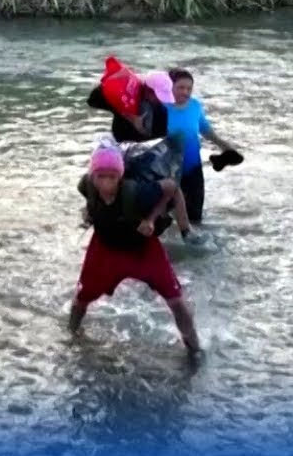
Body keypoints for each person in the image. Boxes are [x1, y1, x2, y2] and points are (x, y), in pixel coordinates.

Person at [69, 145, 203, 358]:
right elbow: (89, 201)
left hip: (143, 250)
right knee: (82, 298)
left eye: (112, 177)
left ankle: (195, 349)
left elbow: (172, 187)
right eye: (100, 176)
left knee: (176, 301)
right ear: (92, 176)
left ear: (120, 175)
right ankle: (70, 338)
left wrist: (152, 219)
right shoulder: (85, 185)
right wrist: (88, 213)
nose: (106, 183)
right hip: (106, 249)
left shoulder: (136, 192)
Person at [164, 68, 241, 225]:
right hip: (167, 170)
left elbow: (206, 130)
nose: (185, 92)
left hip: (193, 169)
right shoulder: (160, 109)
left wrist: (226, 147)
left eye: (189, 88)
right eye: (180, 87)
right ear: (169, 87)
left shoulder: (195, 106)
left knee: (195, 219)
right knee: (165, 220)